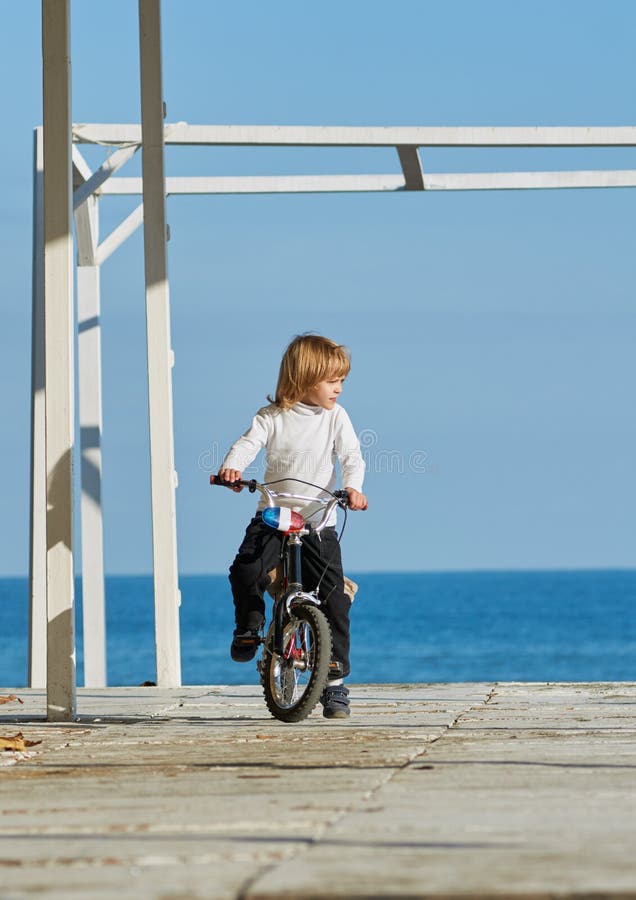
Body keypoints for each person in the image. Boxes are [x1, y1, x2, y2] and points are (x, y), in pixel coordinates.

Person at [218, 333, 368, 719]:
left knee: (334, 599)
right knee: (245, 569)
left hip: (318, 520)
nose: (339, 388)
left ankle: (334, 684)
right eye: (331, 380)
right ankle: (250, 627)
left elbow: (351, 456)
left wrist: (353, 487)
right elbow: (248, 444)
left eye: (342, 381)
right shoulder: (272, 417)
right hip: (275, 515)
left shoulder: (336, 417)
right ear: (303, 380)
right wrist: (232, 468)